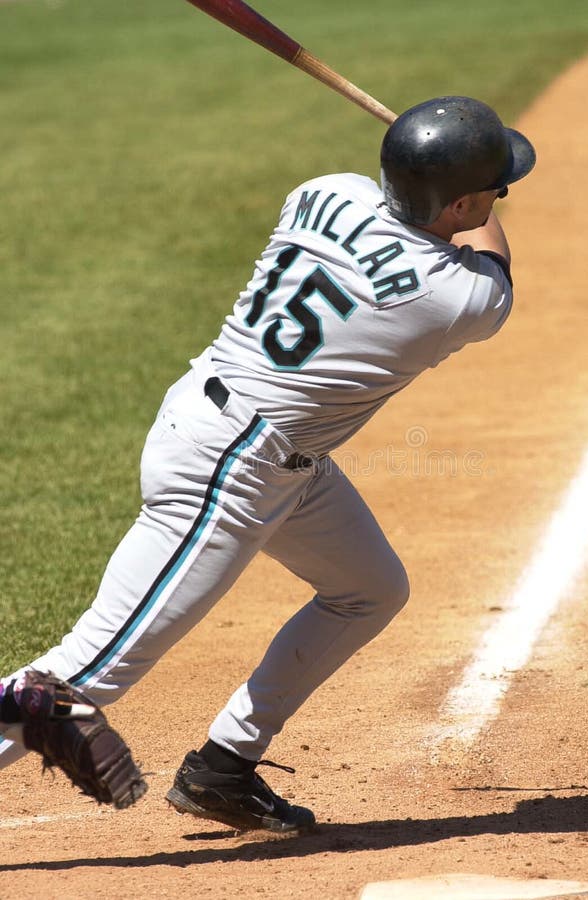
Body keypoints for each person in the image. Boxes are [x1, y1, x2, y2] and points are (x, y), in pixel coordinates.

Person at [0, 96, 535, 833]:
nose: (498, 196)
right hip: (227, 469)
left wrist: (427, 174)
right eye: (494, 188)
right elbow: (489, 253)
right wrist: (460, 191)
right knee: (93, 667)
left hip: (250, 441)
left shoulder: (325, 191)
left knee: (369, 590)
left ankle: (224, 767)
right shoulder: (454, 298)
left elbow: (430, 216)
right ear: (465, 202)